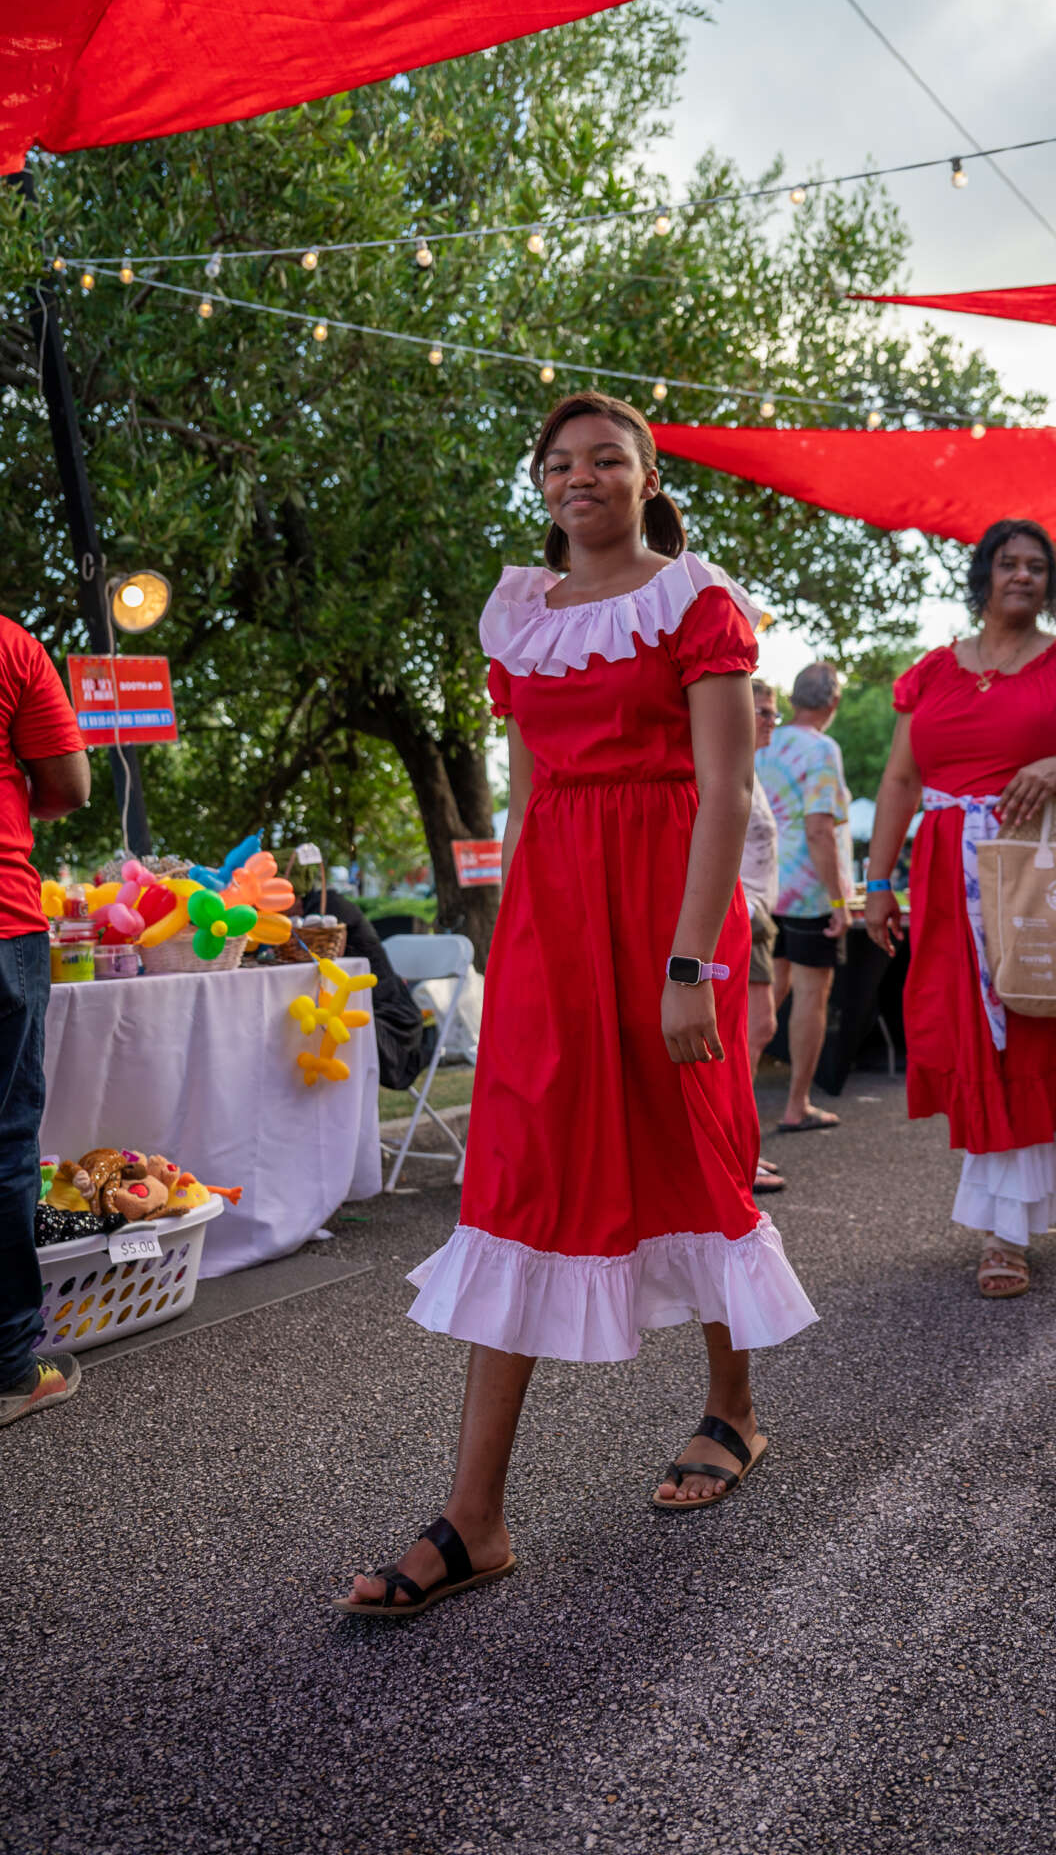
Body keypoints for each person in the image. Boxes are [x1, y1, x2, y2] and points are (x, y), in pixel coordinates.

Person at [338, 392, 815, 1616]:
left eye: (607, 457)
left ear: (648, 477)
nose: (580, 475)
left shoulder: (697, 602)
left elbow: (723, 791)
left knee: (694, 1150)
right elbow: (527, 781)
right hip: (556, 917)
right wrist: (520, 937)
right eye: (559, 462)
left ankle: (734, 1409)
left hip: (667, 907)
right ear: (541, 484)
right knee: (525, 1173)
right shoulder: (519, 613)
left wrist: (683, 967)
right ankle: (475, 1515)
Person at [864, 519, 1056, 1300]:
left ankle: (1003, 1233)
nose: (1023, 576)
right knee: (973, 1037)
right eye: (1009, 563)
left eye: (1038, 567)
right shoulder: (930, 672)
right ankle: (1012, 1210)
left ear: (1050, 582)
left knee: (1029, 1031)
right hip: (950, 881)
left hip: (1040, 874)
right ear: (983, 573)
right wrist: (876, 882)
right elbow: (897, 783)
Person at [0, 616, 90, 1430]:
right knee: (2, 1145)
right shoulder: (9, 644)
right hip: (0, 921)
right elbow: (71, 784)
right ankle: (7, 1370)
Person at [756, 661, 852, 1135]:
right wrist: (839, 902)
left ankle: (735, 1106)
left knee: (764, 995)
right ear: (832, 704)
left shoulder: (763, 741)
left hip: (760, 887)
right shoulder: (822, 749)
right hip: (808, 893)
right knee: (813, 996)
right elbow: (819, 828)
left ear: (793, 701)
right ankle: (797, 1105)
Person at [294, 885, 426, 1089]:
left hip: (384, 1010)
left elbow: (330, 954)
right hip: (346, 1001)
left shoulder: (329, 907)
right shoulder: (318, 905)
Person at [742, 680, 785, 1195]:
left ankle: (739, 1149)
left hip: (756, 916)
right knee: (753, 1032)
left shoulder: (749, 766)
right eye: (764, 712)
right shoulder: (725, 762)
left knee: (754, 1033)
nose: (771, 721)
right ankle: (736, 1153)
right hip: (745, 917)